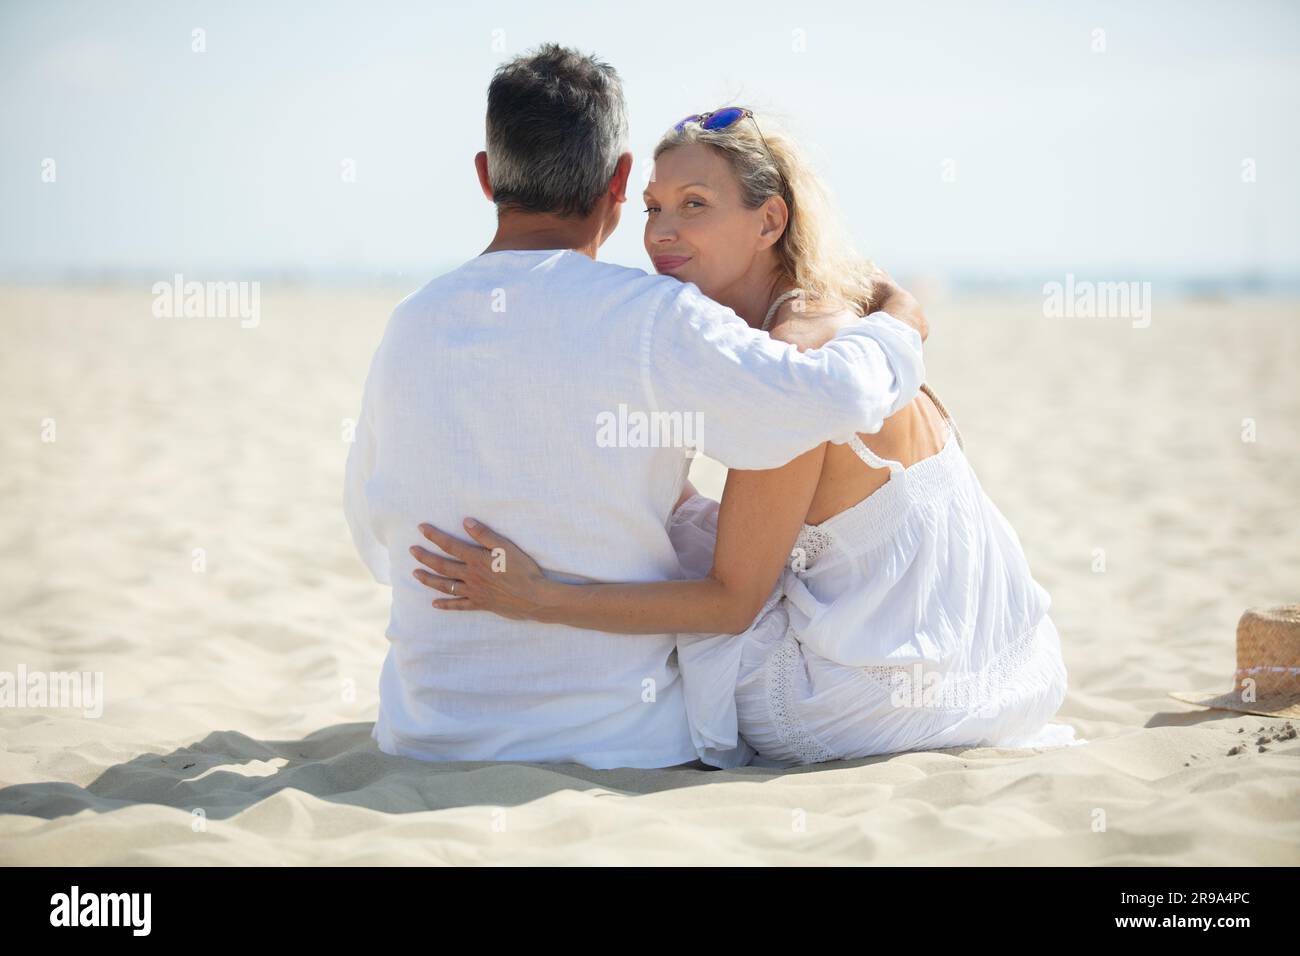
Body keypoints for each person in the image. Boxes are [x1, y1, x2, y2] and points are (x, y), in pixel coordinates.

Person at [410, 104, 1079, 768]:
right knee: (659, 517)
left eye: (694, 204)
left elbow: (730, 605)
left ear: (769, 220)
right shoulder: (826, 313)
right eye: (652, 208)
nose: (662, 234)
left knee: (639, 553)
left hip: (853, 699)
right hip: (987, 666)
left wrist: (541, 597)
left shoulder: (789, 366)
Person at [343, 45, 926, 770]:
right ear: (621, 180)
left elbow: (373, 535)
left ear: (487, 176)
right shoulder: (653, 318)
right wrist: (900, 320)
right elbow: (829, 396)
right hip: (616, 740)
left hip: (425, 732)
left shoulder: (410, 323)